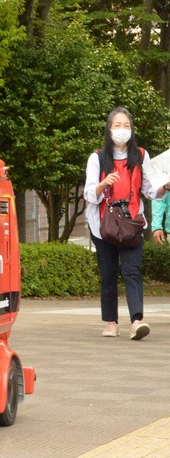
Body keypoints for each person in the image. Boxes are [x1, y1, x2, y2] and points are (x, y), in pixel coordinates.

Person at [84, 107, 170, 340]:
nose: (122, 130)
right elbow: (89, 193)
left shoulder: (141, 156)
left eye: (126, 126)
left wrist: (165, 187)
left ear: (132, 130)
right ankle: (111, 322)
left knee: (133, 271)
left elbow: (150, 190)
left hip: (132, 224)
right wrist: (104, 184)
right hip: (104, 226)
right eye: (117, 126)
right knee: (109, 274)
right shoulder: (97, 158)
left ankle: (137, 321)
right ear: (108, 129)